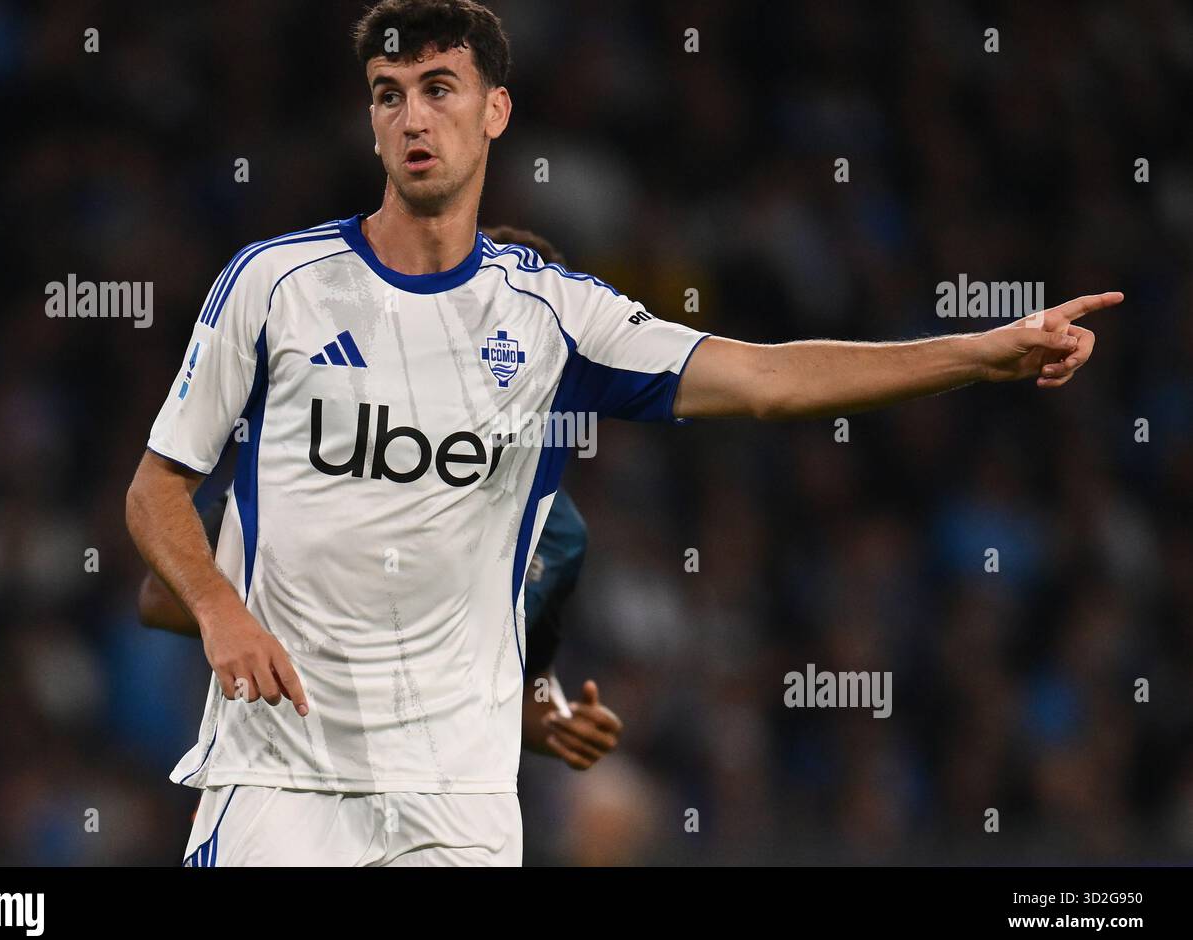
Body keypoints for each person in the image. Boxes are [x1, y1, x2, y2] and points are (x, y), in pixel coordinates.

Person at [124, 0, 1121, 867]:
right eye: (389, 94)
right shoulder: (277, 286)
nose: (413, 116)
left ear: (495, 111)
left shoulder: (557, 333)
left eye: (439, 88)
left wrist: (977, 352)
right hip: (283, 786)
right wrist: (220, 607)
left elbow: (768, 378)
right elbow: (155, 499)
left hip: (458, 806)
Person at [136, 227, 623, 777]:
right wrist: (296, 621)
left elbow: (529, 682)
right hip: (287, 767)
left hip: (436, 793)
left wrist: (559, 721)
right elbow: (159, 598)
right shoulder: (322, 466)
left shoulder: (557, 535)